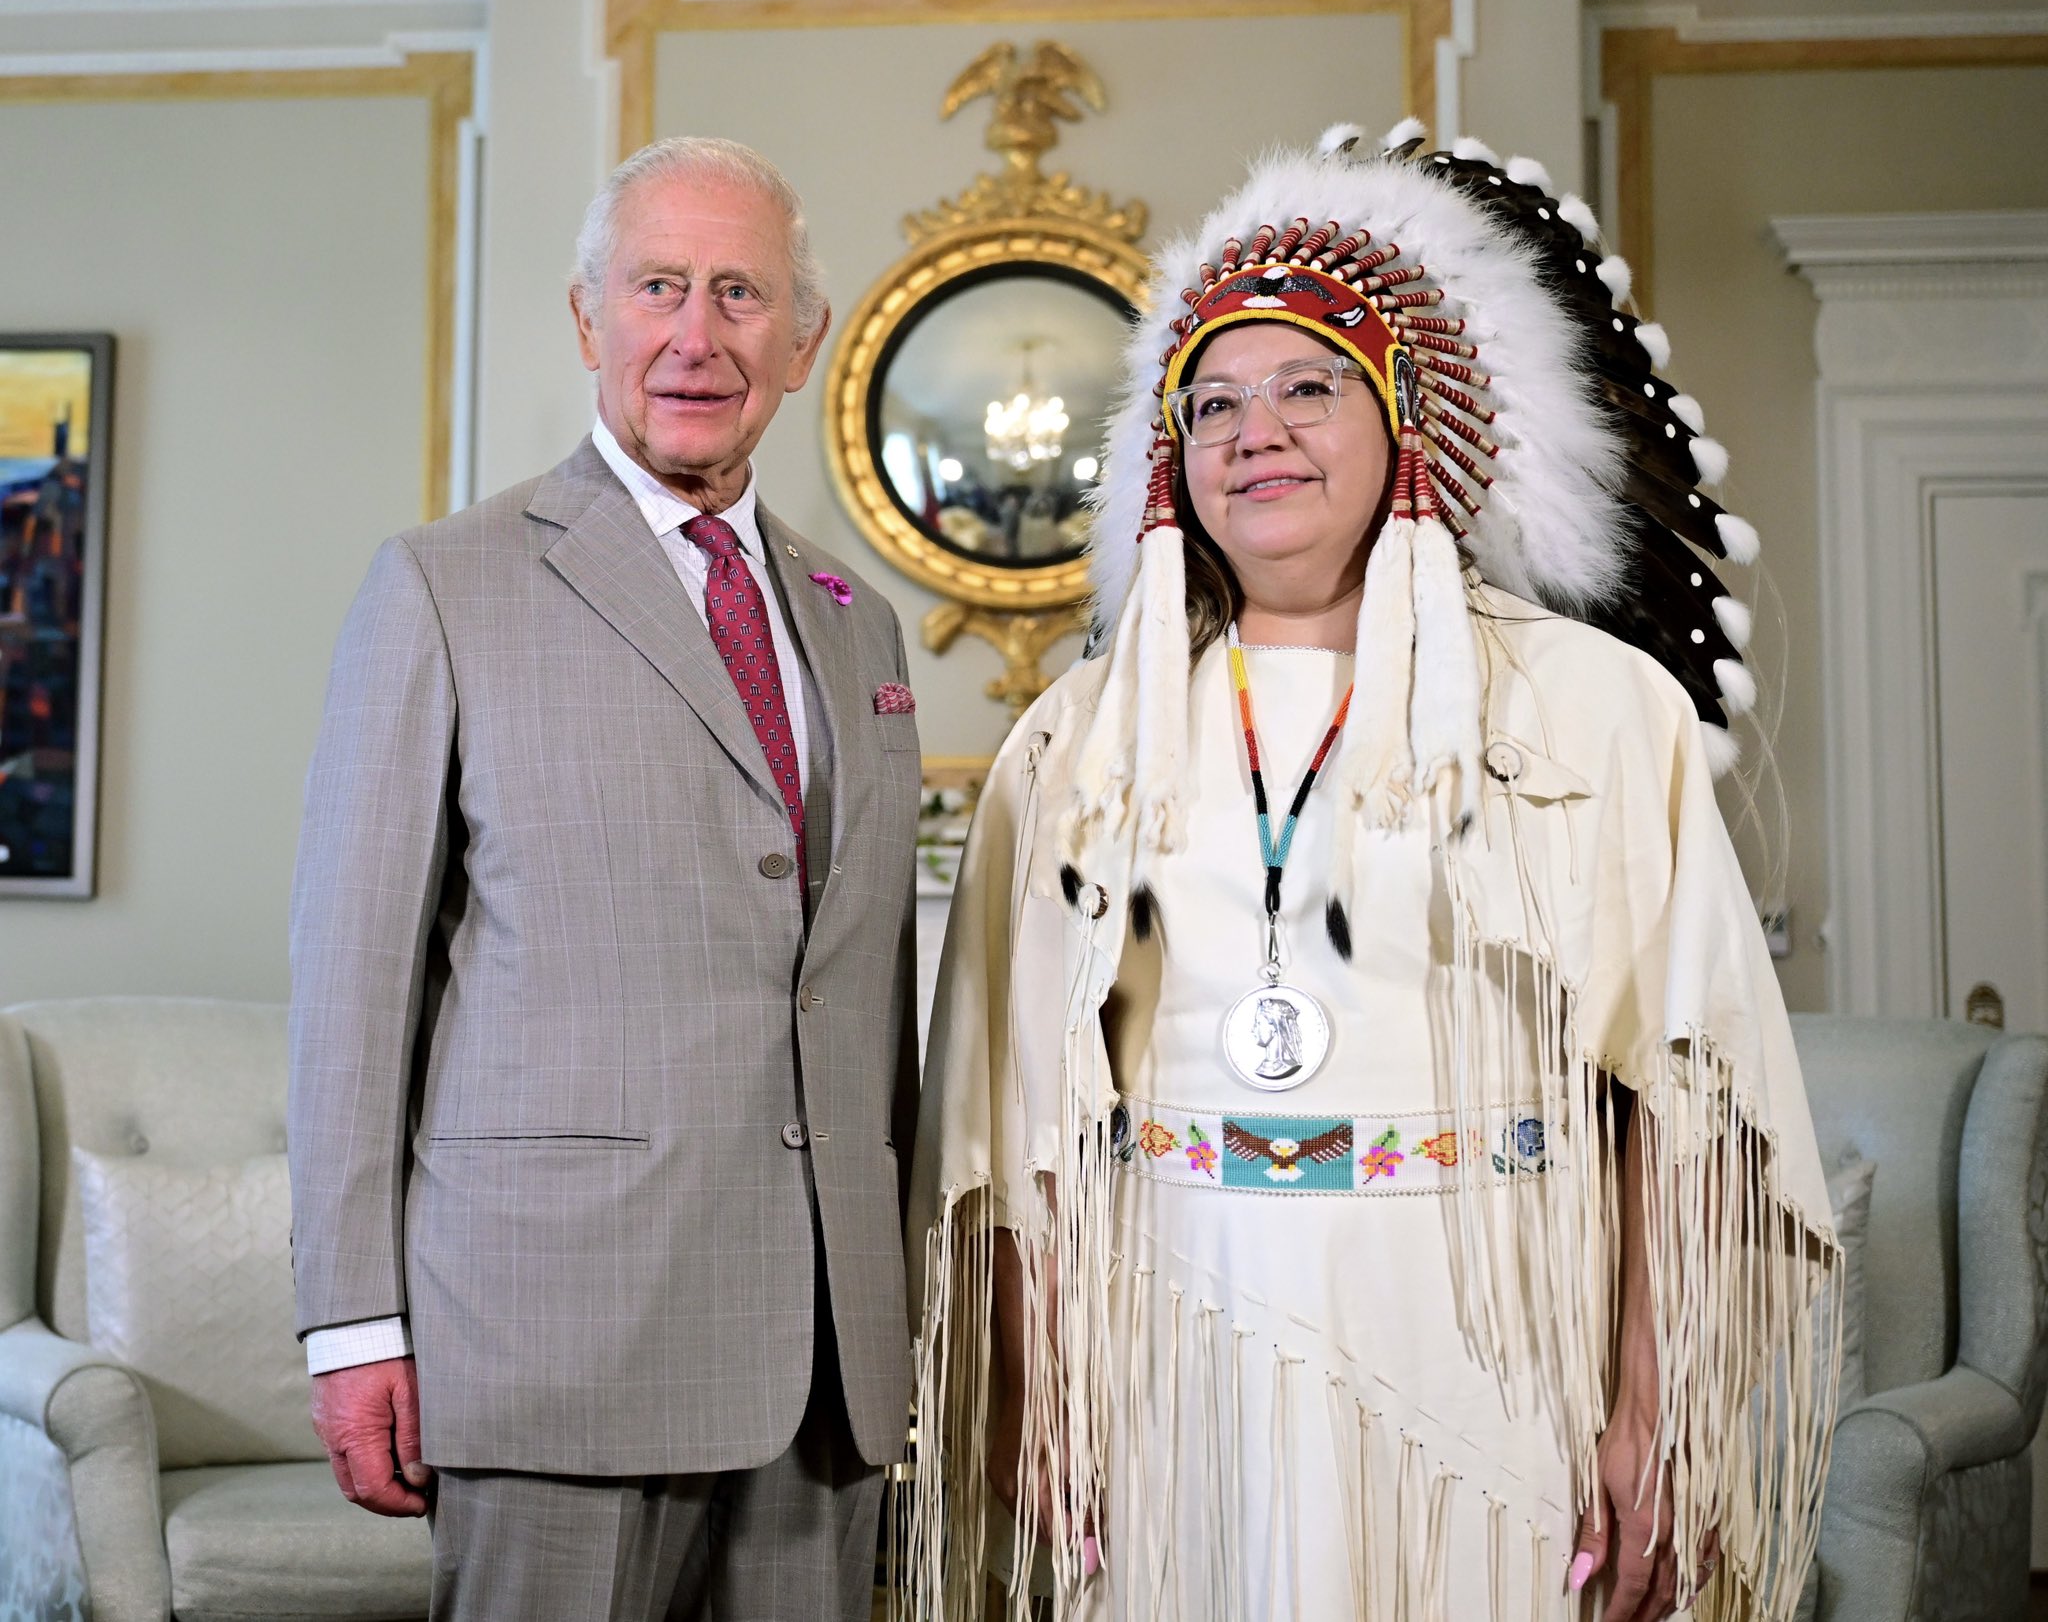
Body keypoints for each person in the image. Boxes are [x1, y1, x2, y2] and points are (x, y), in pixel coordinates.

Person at [905, 122, 1841, 1622]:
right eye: (1209, 401)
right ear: (1170, 459)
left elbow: (1688, 1104)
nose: (1252, 429)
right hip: (1176, 1360)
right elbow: (1010, 1132)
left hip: (1485, 1356)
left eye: (1307, 385)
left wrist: (1651, 1420)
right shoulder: (1078, 743)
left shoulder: (1591, 715)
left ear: (1411, 419)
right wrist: (1038, 1402)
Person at [288, 136, 922, 1622]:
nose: (697, 333)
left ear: (802, 336)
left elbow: (861, 992)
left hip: (825, 1366)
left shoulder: (858, 624)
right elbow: (352, 986)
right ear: (589, 320)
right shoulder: (445, 584)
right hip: (548, 1343)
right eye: (657, 287)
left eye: (740, 293)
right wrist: (351, 1324)